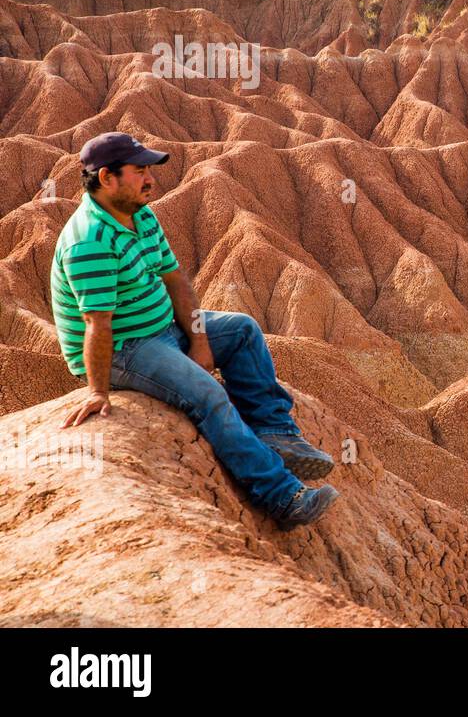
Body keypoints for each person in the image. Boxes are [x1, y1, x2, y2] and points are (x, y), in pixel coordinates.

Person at [51, 131, 339, 530]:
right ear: (106, 178)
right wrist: (98, 391)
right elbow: (96, 325)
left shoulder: (140, 214)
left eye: (149, 170)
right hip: (124, 349)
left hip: (164, 328)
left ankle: (275, 434)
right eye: (139, 172)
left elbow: (177, 281)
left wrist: (200, 341)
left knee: (242, 330)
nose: (150, 180)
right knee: (207, 394)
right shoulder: (90, 243)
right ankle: (282, 497)